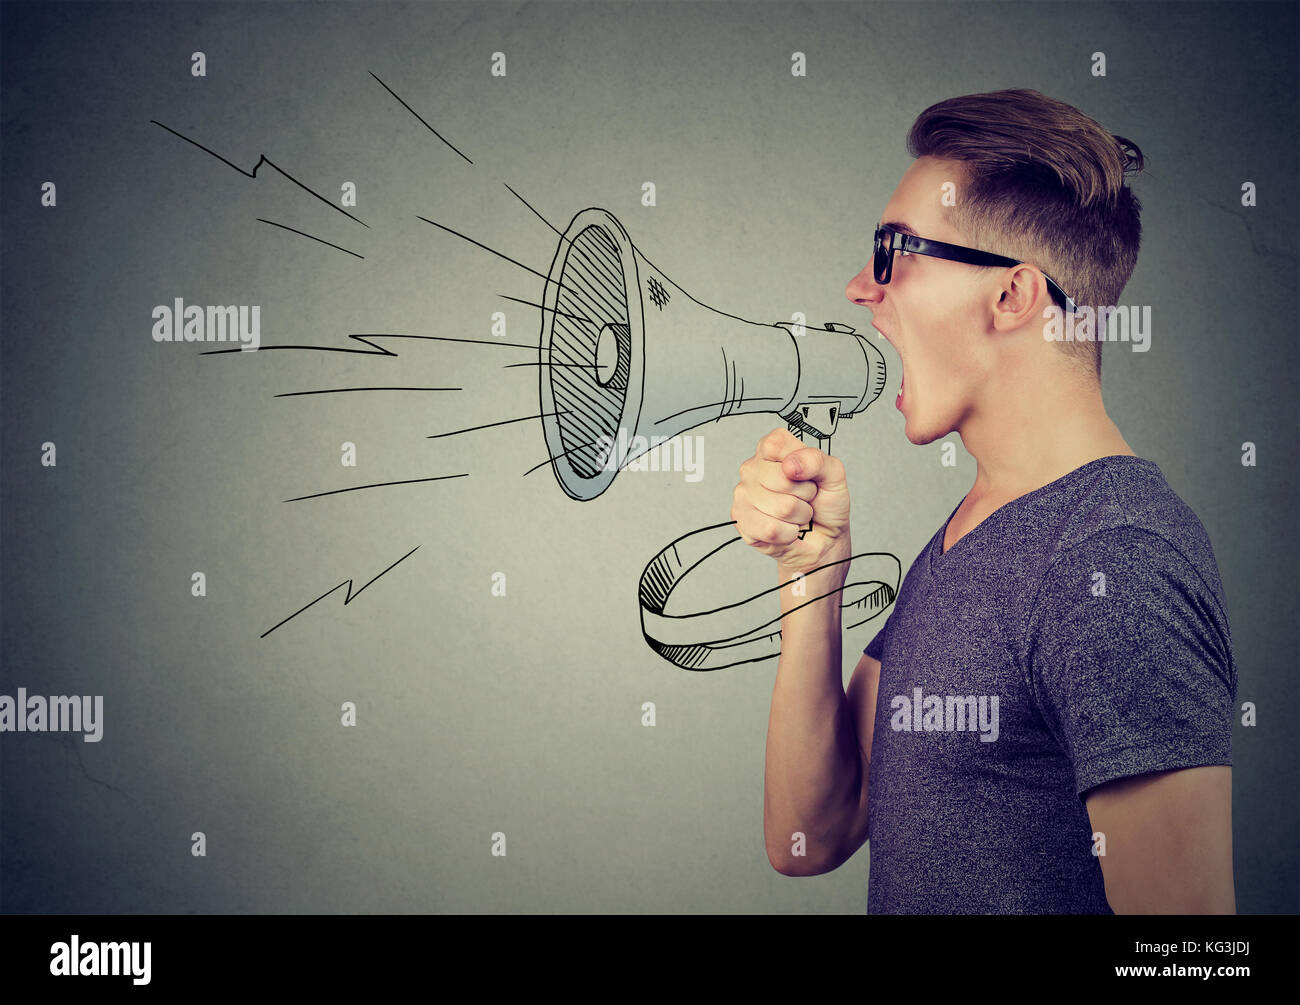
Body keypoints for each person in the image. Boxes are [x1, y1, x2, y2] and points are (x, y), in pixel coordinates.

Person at [731, 89, 1236, 914]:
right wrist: (809, 573)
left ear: (1013, 296)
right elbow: (810, 832)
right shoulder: (975, 535)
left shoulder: (1114, 560)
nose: (860, 287)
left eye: (894, 250)